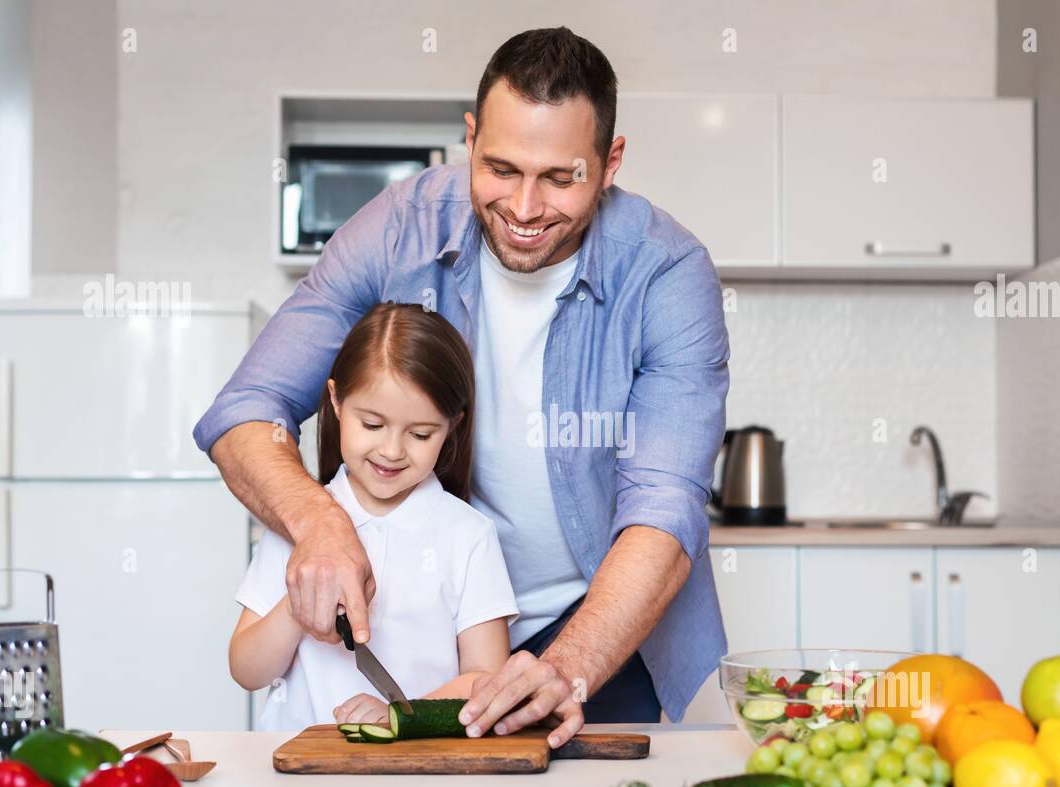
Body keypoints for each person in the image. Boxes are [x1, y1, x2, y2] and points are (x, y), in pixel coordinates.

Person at [195, 27, 730, 747]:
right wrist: (321, 526)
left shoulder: (667, 272)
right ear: (470, 138)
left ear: (609, 163)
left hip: (596, 631)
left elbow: (663, 510)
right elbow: (246, 411)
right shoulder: (397, 229)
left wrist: (565, 666)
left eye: (561, 177)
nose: (526, 207)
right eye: (501, 168)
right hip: (436, 645)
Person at [228, 303, 518, 731]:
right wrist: (298, 605)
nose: (392, 451)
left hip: (420, 774)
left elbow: (487, 679)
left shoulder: (468, 536)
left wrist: (403, 716)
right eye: (373, 425)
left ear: (452, 426)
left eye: (420, 434)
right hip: (299, 775)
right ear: (337, 401)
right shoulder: (300, 525)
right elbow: (246, 672)